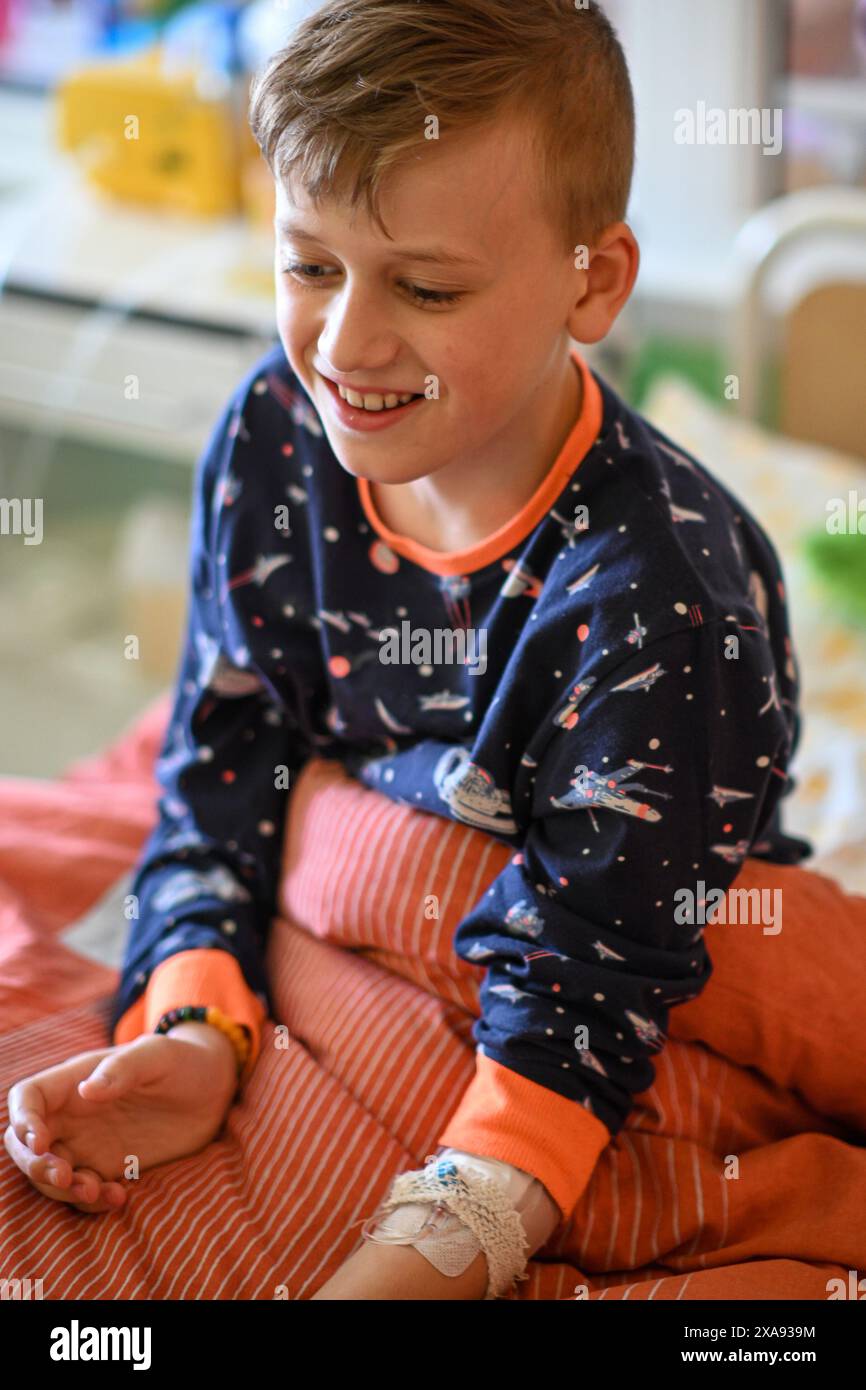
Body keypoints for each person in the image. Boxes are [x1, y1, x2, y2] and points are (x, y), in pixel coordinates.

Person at [4, 0, 810, 1299]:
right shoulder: (273, 437)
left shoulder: (662, 596)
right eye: (309, 266)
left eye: (425, 287)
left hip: (585, 929)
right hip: (345, 872)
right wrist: (196, 1019)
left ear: (591, 280)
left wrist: (444, 1235)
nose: (345, 345)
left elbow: (592, 978)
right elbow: (223, 763)